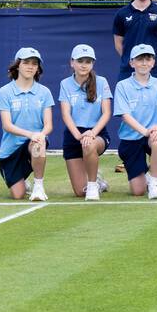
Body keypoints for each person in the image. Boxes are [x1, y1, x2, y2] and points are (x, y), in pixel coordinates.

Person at [0, 47, 54, 202]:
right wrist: (30, 134)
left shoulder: (44, 92)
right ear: (17, 65)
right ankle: (22, 181)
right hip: (10, 150)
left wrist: (40, 135)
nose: (30, 66)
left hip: (33, 143)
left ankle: (38, 186)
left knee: (38, 144)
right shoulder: (5, 91)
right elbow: (7, 125)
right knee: (18, 195)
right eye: (26, 62)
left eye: (34, 63)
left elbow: (48, 125)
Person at [114, 44, 157, 199]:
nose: (144, 63)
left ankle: (155, 183)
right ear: (132, 63)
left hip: (153, 133)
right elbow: (125, 115)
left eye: (148, 59)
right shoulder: (122, 86)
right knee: (138, 190)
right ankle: (144, 176)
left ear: (153, 62)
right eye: (140, 59)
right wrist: (144, 131)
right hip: (131, 137)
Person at [58, 44, 112, 201]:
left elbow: (106, 112)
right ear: (72, 63)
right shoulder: (65, 84)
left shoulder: (101, 82)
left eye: (88, 61)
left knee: (89, 145)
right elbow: (66, 114)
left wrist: (92, 133)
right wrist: (79, 136)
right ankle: (98, 181)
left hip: (97, 134)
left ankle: (93, 185)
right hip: (74, 135)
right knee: (80, 192)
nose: (83, 65)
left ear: (92, 64)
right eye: (80, 60)